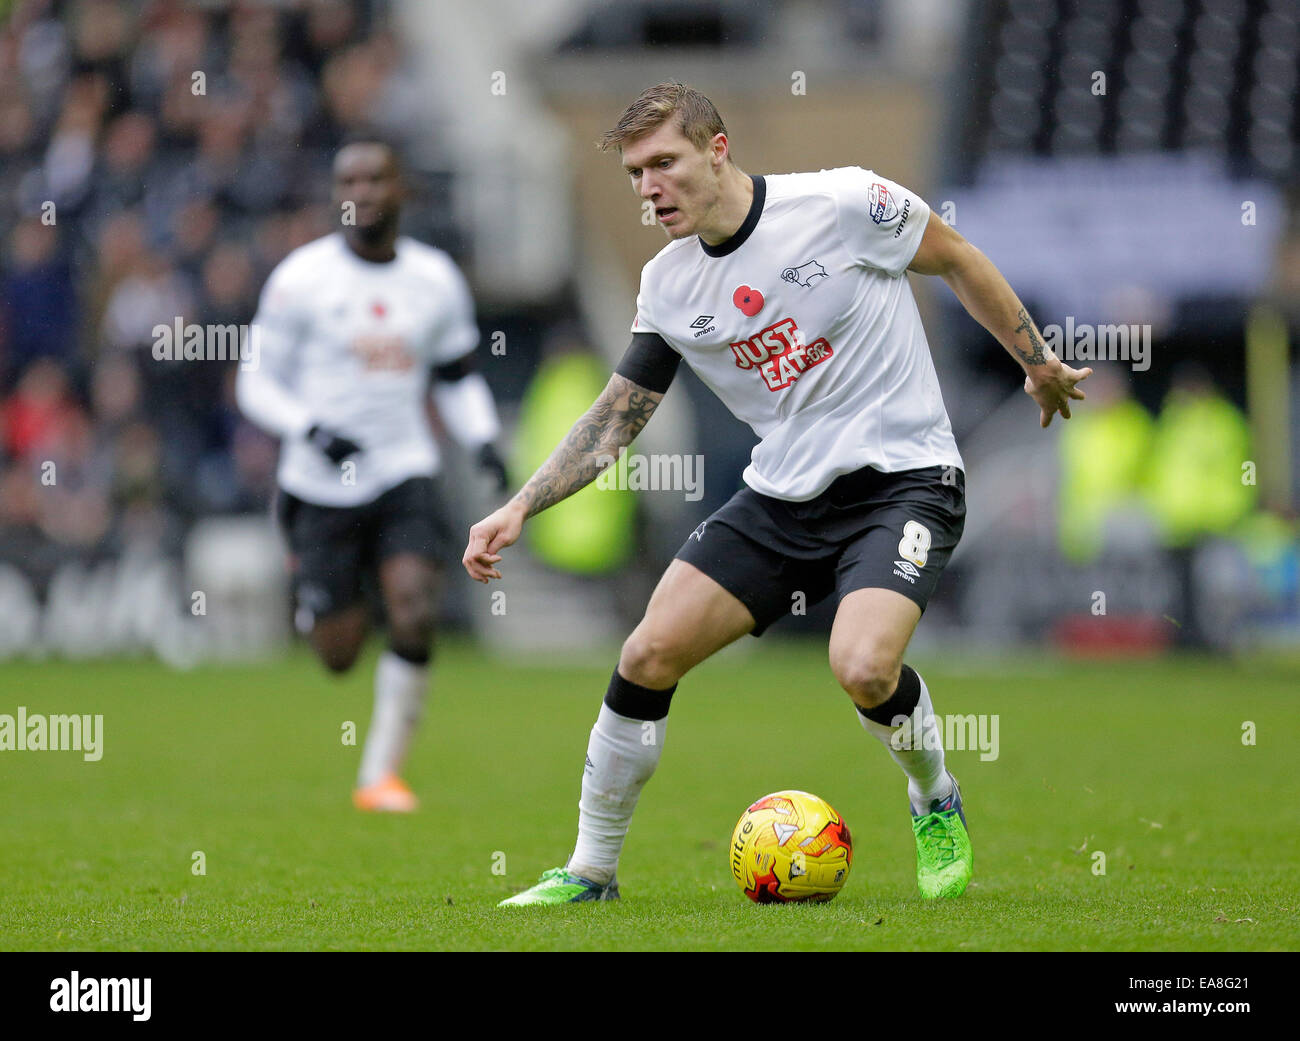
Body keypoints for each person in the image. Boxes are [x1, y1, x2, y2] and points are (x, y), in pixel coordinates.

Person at [463, 84, 1090, 903]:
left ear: (717, 149)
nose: (648, 188)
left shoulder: (844, 203)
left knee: (863, 666)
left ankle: (934, 797)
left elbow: (958, 258)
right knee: (646, 654)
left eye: (664, 164)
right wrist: (519, 505)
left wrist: (1034, 359)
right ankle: (590, 871)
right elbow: (620, 416)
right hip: (785, 496)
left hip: (905, 480)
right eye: (634, 174)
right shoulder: (668, 284)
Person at [238, 136, 507, 812]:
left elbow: (456, 376)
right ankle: (317, 598)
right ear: (335, 193)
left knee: (415, 606)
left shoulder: (434, 278)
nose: (360, 191)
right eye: (347, 179)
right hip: (317, 483)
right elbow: (255, 381)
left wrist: (482, 439)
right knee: (337, 652)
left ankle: (380, 775)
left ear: (401, 189)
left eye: (375, 179)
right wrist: (310, 428)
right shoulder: (301, 278)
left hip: (402, 469)